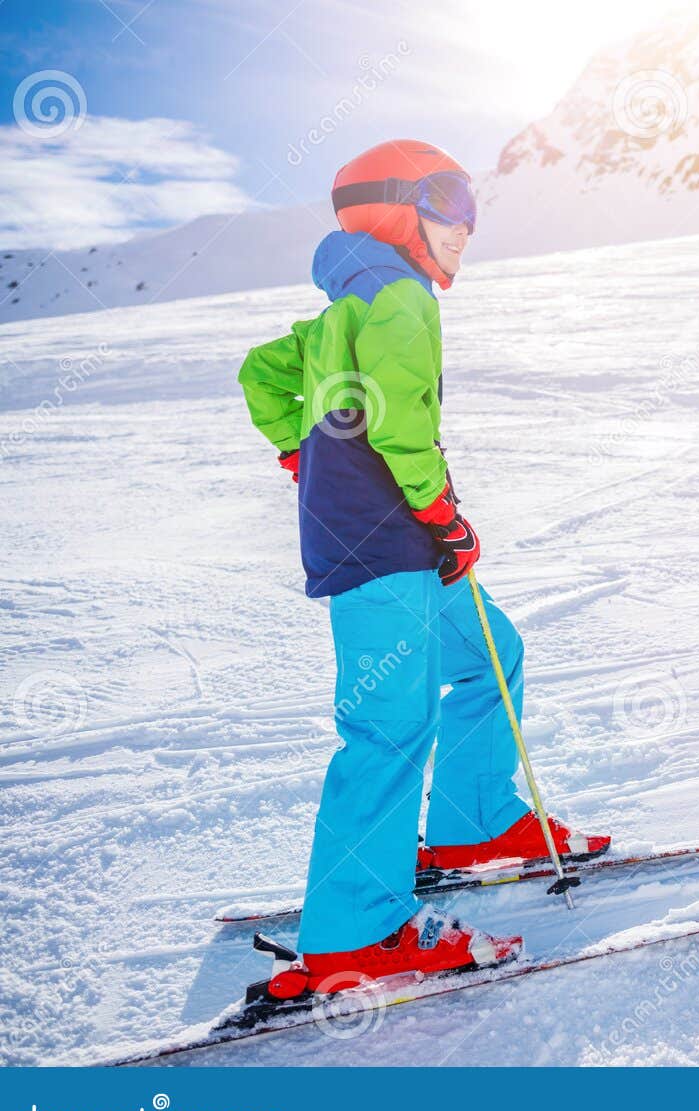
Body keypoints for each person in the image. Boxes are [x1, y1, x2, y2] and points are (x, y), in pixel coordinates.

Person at [238, 140, 608, 999]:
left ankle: (473, 824)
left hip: (394, 539)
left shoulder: (344, 308)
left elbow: (261, 375)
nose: (465, 227)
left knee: (490, 654)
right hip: (386, 538)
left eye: (473, 210)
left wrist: (304, 452)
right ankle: (356, 935)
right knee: (388, 726)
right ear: (400, 208)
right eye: (449, 203)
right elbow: (401, 429)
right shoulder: (397, 294)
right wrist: (443, 513)